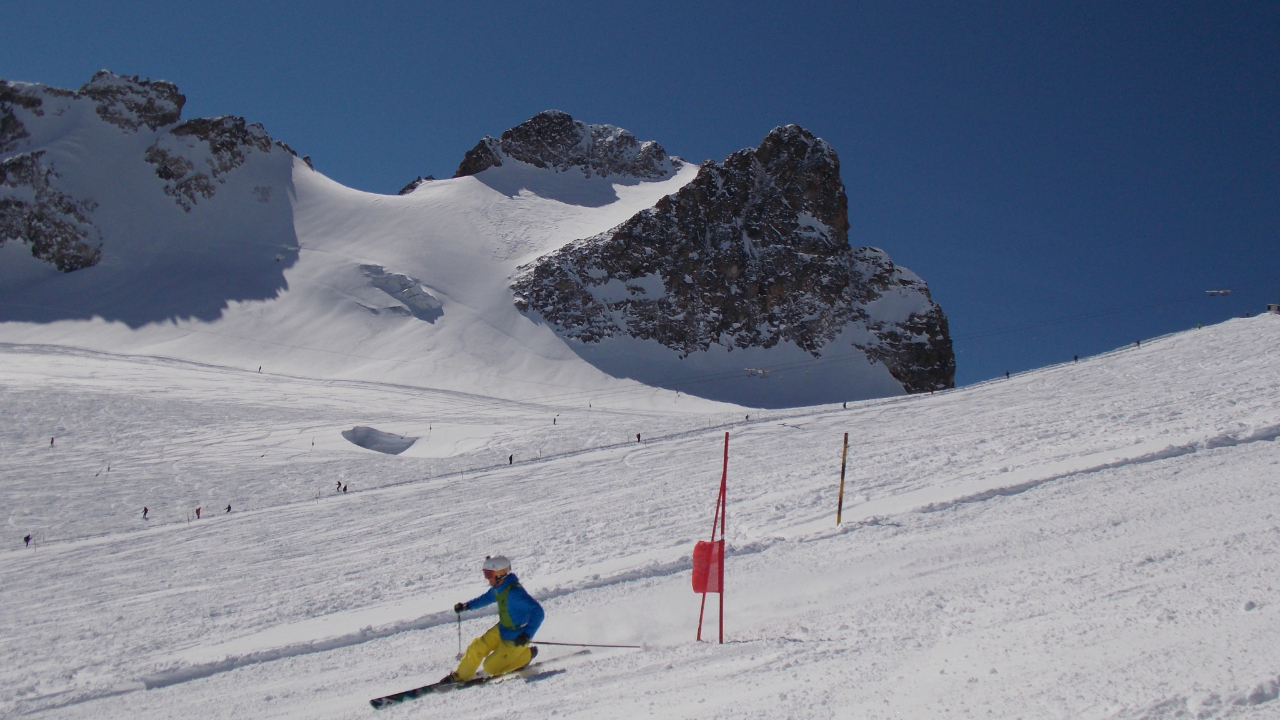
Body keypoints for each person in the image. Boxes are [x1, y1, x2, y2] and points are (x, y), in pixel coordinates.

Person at [442, 555, 544, 684]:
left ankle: (527, 655)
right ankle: (459, 676)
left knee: (490, 667)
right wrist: (467, 606)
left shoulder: (515, 593)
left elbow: (538, 612)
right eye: (485, 574)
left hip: (516, 638)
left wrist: (527, 634)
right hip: (502, 629)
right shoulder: (499, 588)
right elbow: (486, 598)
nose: (487, 579)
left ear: (500, 574)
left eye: (488, 575)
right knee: (476, 647)